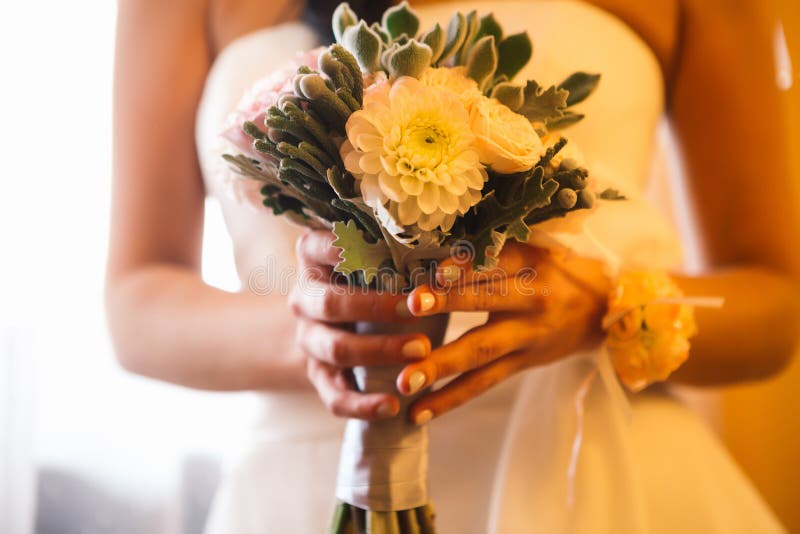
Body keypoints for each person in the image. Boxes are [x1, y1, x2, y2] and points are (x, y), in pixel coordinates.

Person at [107, 0, 799, 532]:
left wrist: (604, 308)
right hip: (301, 486)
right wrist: (311, 334)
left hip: (602, 480)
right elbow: (135, 303)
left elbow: (776, 307)